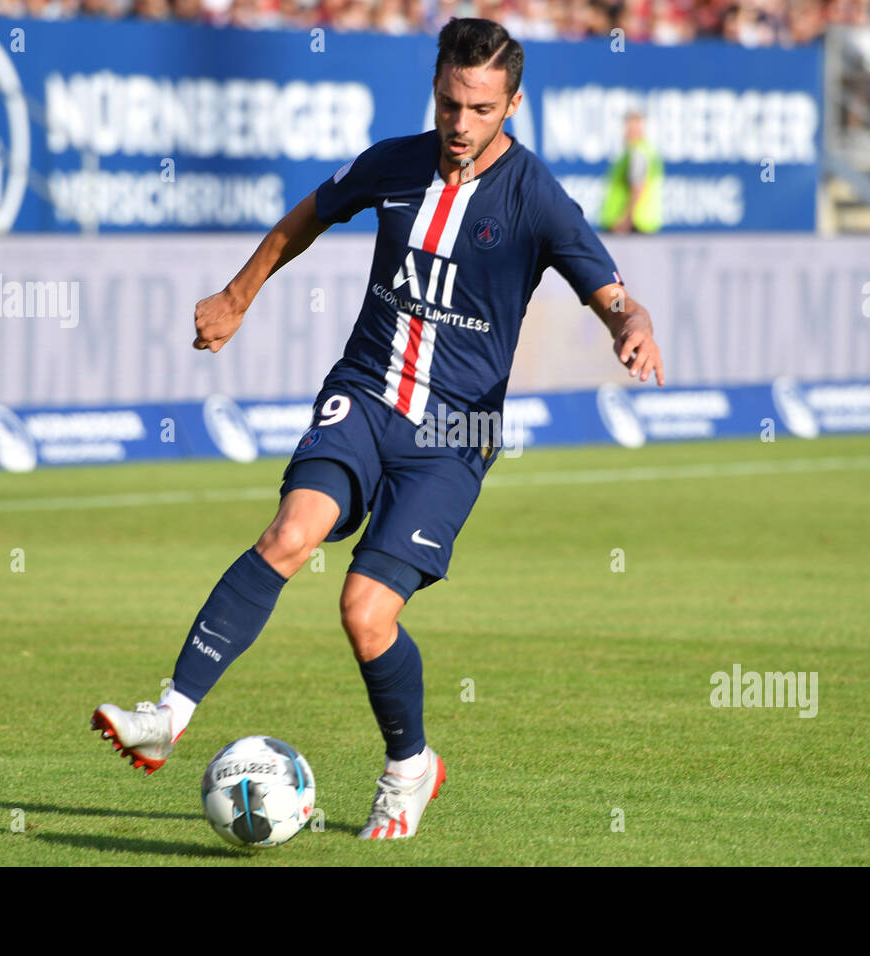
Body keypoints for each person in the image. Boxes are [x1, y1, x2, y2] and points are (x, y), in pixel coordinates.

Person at [91, 17, 665, 841]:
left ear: (512, 105)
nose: (459, 123)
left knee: (365, 612)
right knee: (290, 534)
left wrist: (629, 325)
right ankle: (168, 715)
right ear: (434, 88)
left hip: (451, 438)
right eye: (448, 102)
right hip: (364, 395)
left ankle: (409, 768)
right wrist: (238, 295)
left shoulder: (534, 195)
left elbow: (610, 290)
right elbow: (311, 214)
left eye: (480, 107)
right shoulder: (396, 162)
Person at [600, 111, 663, 234]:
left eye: (632, 127)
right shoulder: (646, 151)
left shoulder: (638, 153)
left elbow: (638, 187)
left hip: (632, 224)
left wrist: (625, 219)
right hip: (643, 222)